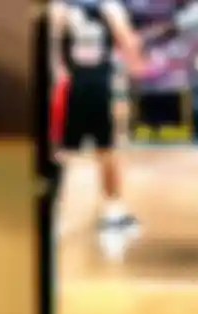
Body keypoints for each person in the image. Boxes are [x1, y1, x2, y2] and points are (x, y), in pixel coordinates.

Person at [49, 0, 146, 245]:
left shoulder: (61, 8)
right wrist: (135, 68)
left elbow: (51, 44)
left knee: (63, 151)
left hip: (71, 85)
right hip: (97, 86)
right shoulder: (108, 8)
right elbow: (127, 41)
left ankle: (51, 212)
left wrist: (56, 73)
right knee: (106, 149)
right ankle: (113, 210)